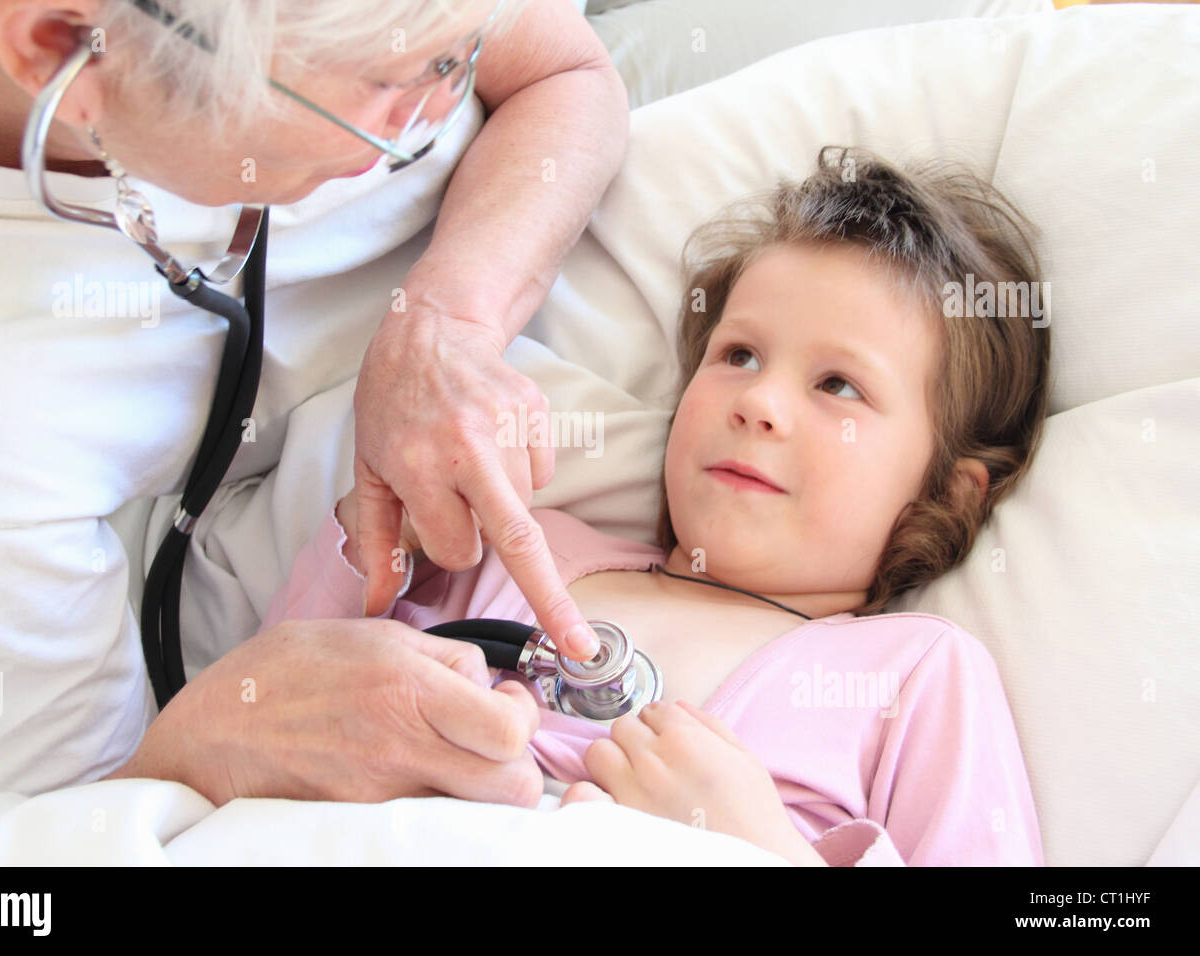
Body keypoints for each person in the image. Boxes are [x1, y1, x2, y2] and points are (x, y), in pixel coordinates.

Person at [0, 0, 629, 826]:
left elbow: (567, 70)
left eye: (460, 56)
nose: (440, 104)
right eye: (396, 82)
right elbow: (62, 835)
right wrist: (217, 740)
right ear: (64, 47)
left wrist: (447, 318)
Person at [262, 147, 1051, 865]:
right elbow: (276, 703)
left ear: (947, 490)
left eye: (838, 384)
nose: (760, 402)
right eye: (738, 355)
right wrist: (378, 525)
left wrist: (757, 849)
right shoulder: (514, 542)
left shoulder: (912, 677)